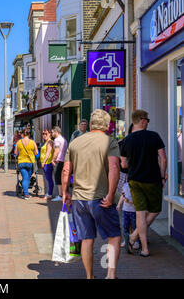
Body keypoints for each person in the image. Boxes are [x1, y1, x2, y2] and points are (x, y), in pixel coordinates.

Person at [62, 109, 121, 279]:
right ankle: (110, 275)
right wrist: (110, 195)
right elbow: (115, 168)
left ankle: (89, 275)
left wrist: (65, 192)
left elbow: (66, 169)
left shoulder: (75, 143)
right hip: (100, 198)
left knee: (87, 239)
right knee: (114, 236)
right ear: (106, 124)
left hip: (79, 199)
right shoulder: (109, 142)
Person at [120, 110, 167, 257]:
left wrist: (135, 162)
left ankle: (142, 246)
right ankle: (134, 238)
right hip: (152, 179)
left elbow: (124, 164)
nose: (148, 122)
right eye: (147, 120)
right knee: (155, 210)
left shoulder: (127, 140)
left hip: (134, 180)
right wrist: (162, 177)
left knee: (140, 213)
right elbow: (163, 158)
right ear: (142, 120)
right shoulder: (154, 136)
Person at [14, 129, 39, 200]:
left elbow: (15, 153)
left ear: (22, 134)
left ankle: (25, 192)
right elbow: (36, 153)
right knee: (26, 178)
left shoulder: (19, 142)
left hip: (21, 163)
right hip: (30, 163)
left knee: (26, 178)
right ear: (29, 134)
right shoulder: (32, 142)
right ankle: (26, 193)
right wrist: (31, 153)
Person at [117, 182, 140, 250]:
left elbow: (139, 198)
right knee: (125, 226)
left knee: (135, 226)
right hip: (125, 210)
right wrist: (119, 204)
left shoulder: (136, 185)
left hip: (134, 211)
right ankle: (126, 241)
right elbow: (123, 195)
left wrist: (131, 202)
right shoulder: (125, 185)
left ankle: (136, 242)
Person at [51, 126, 68, 201]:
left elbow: (57, 151)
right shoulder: (64, 139)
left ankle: (60, 195)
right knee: (62, 178)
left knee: (57, 178)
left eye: (52, 132)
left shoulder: (57, 140)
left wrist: (53, 159)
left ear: (56, 132)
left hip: (58, 161)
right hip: (64, 160)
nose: (51, 134)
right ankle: (63, 194)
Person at [40, 130, 55, 200]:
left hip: (47, 163)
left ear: (50, 134)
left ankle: (50, 194)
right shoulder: (47, 142)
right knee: (48, 179)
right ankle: (49, 193)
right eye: (43, 134)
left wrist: (44, 162)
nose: (44, 135)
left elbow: (48, 152)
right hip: (46, 163)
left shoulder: (50, 142)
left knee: (49, 179)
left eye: (46, 134)